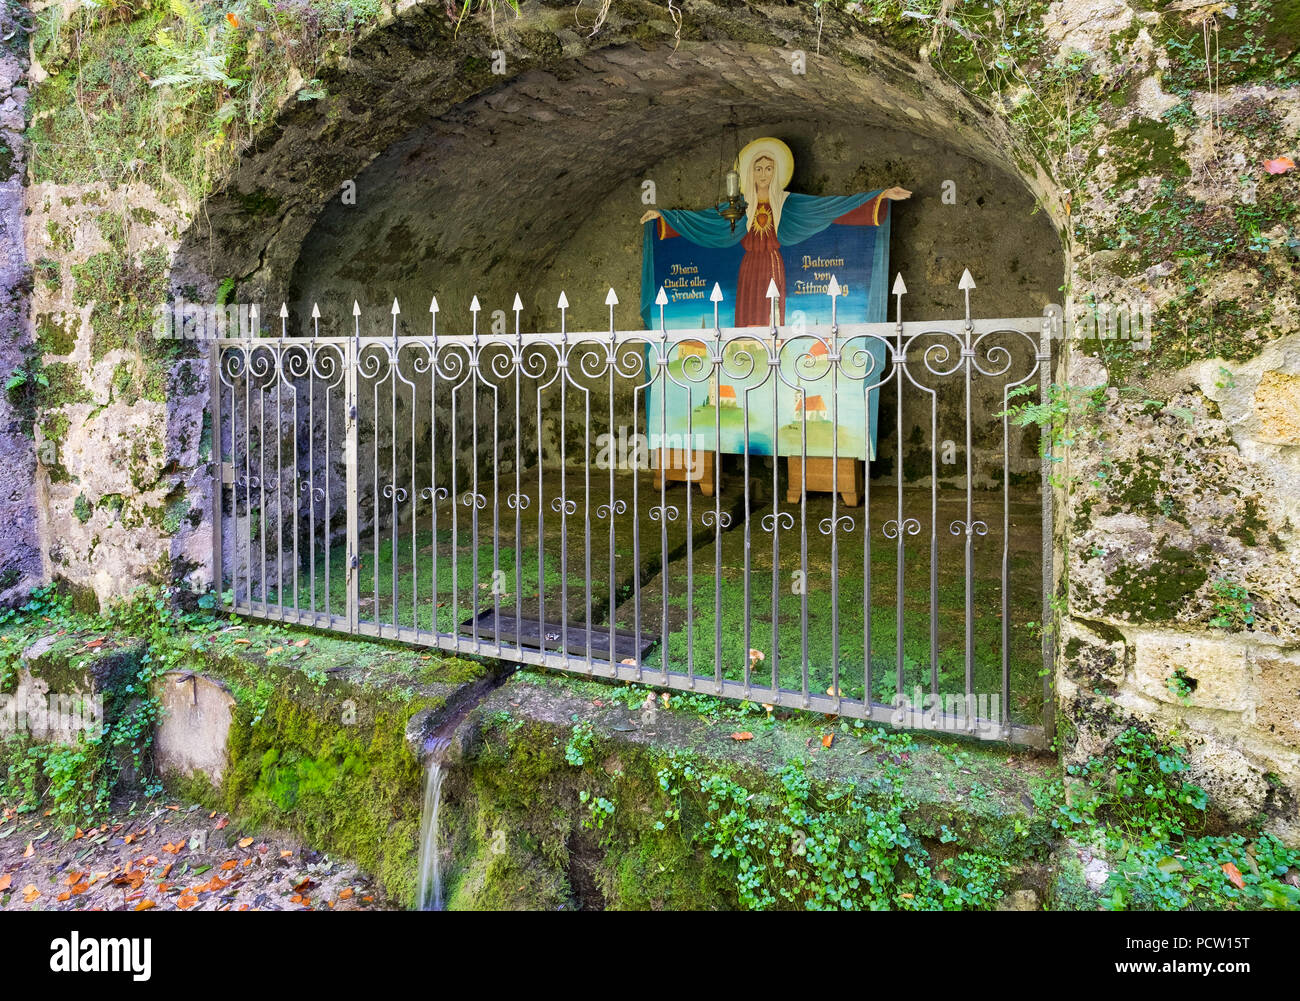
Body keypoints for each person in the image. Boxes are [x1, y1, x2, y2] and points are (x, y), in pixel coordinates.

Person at [641, 138, 911, 326]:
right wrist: (664, 217)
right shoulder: (738, 207)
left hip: (771, 265)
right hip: (749, 267)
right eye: (757, 168)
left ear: (776, 171)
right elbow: (704, 222)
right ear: (749, 171)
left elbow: (828, 209)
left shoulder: (787, 204)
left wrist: (881, 195)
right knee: (747, 312)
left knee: (769, 312)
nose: (763, 173)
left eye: (768, 168)